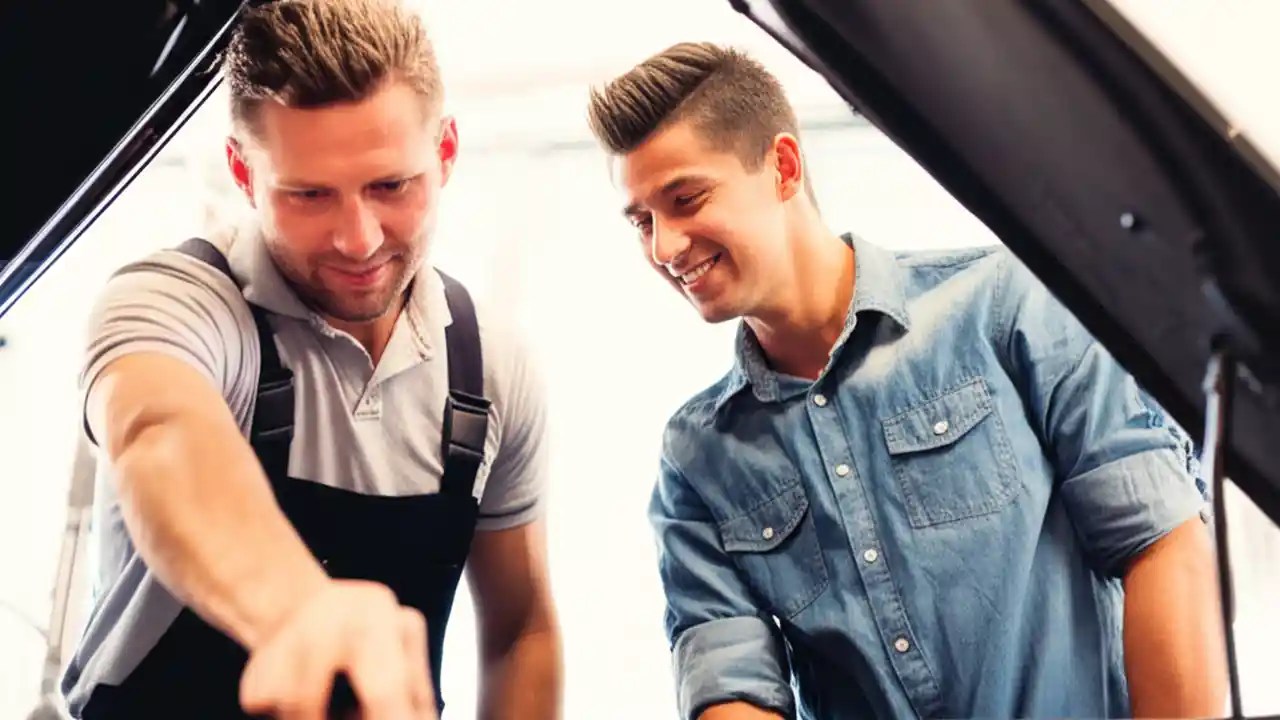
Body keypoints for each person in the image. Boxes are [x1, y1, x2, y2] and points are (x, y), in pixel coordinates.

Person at [586, 42, 1227, 720]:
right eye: (643, 222)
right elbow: (731, 685)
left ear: (782, 167)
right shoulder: (698, 456)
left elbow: (1162, 542)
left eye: (686, 199)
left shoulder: (1010, 307)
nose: (665, 246)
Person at [59, 1, 562, 718]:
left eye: (391, 186)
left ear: (445, 152)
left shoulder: (491, 369)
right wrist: (298, 611)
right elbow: (161, 434)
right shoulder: (173, 303)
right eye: (309, 195)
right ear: (242, 170)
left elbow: (520, 632)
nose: (357, 240)